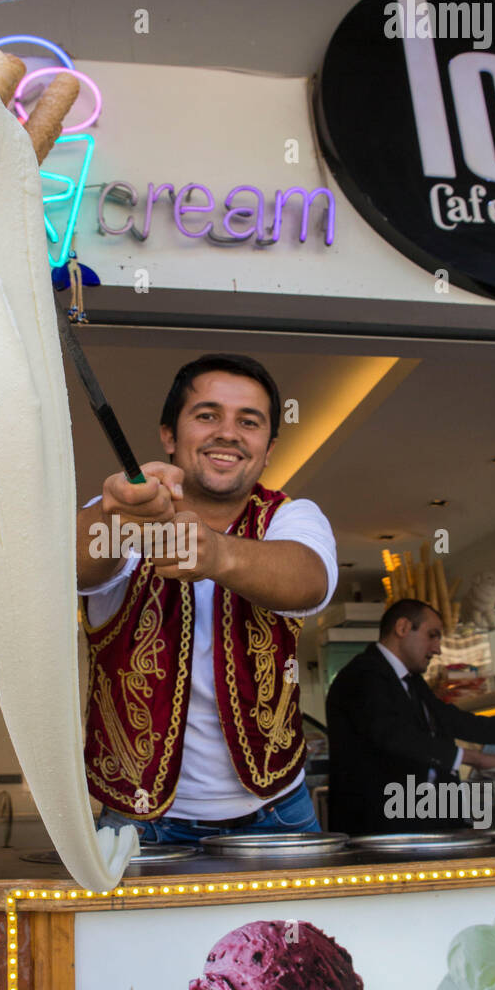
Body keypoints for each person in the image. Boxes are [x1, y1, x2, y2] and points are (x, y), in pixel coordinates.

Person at [76, 354, 338, 844]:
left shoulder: (291, 516)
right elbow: (69, 562)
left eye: (249, 421)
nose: (228, 433)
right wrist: (121, 519)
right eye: (207, 415)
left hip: (278, 810)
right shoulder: (122, 512)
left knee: (292, 927)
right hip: (135, 820)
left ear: (269, 447)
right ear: (169, 436)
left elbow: (310, 579)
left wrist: (216, 553)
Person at [326, 598, 495, 835]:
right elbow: (393, 736)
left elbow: (458, 722)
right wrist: (475, 757)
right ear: (403, 628)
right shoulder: (362, 675)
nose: (437, 649)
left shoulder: (411, 681)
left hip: (425, 818)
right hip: (382, 826)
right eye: (432, 635)